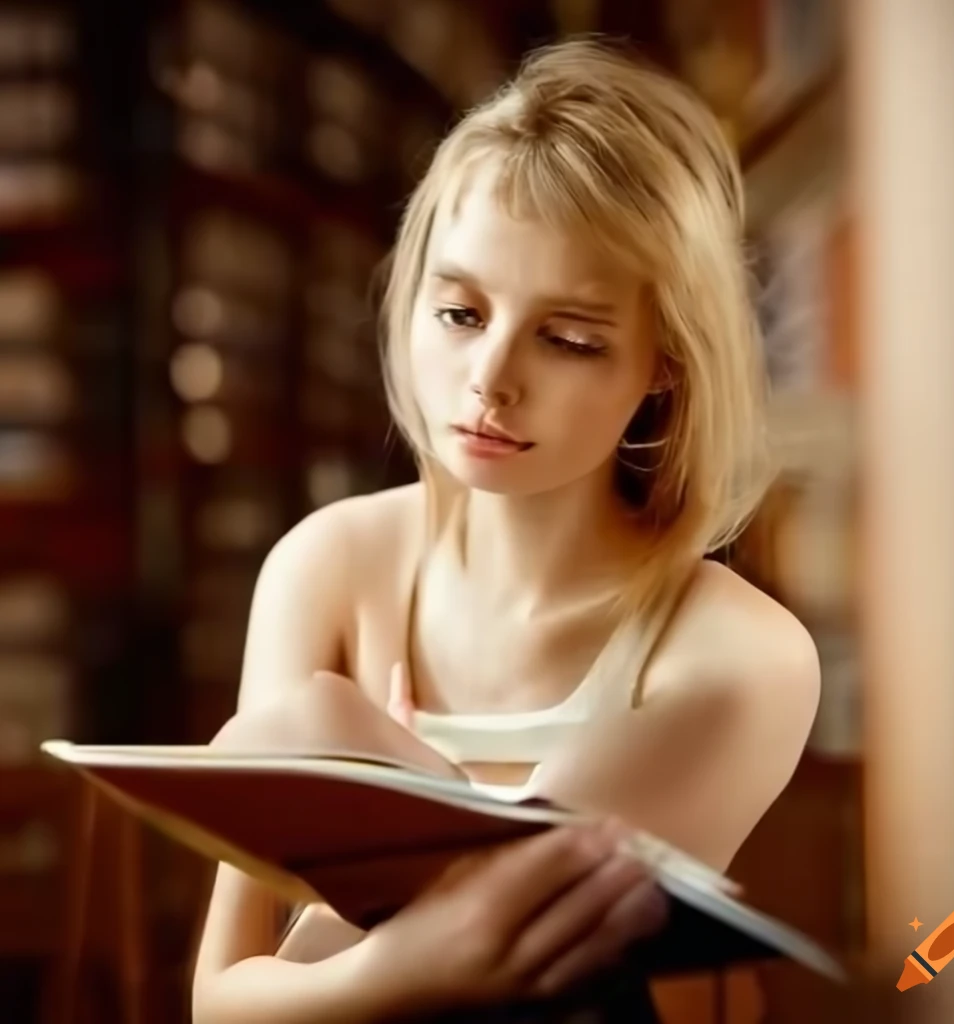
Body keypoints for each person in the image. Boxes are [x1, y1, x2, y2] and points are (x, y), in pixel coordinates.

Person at [191, 37, 821, 1024]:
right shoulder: (326, 567)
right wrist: (417, 929)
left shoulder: (739, 658)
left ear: (666, 360)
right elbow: (221, 1003)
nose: (491, 378)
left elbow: (528, 990)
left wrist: (369, 792)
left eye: (567, 338)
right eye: (458, 313)